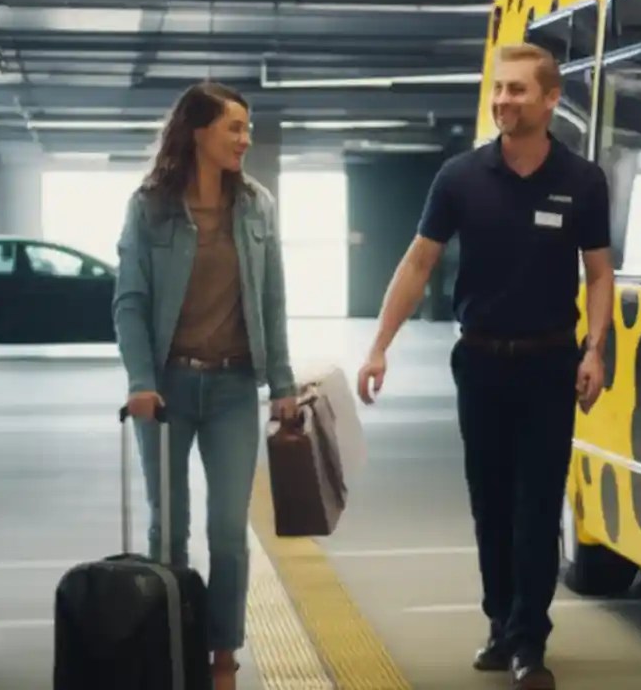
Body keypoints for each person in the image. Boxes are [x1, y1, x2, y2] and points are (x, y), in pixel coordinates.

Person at [356, 42, 614, 690]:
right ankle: (501, 625)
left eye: (518, 90)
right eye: (499, 89)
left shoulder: (582, 180)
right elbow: (417, 263)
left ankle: (530, 640)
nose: (503, 100)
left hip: (551, 361)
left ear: (551, 99)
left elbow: (599, 271)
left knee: (536, 506)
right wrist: (379, 345)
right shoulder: (460, 178)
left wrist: (597, 349)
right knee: (490, 504)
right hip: (481, 362)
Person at [112, 81, 298, 690]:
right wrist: (140, 381)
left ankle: (223, 656)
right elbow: (130, 302)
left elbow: (272, 299)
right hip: (165, 390)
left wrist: (283, 385)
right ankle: (173, 645)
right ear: (198, 133)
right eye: (234, 129)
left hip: (232, 390)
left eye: (248, 129)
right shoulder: (150, 207)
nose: (246, 139)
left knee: (227, 529)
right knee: (169, 528)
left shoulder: (258, 207)